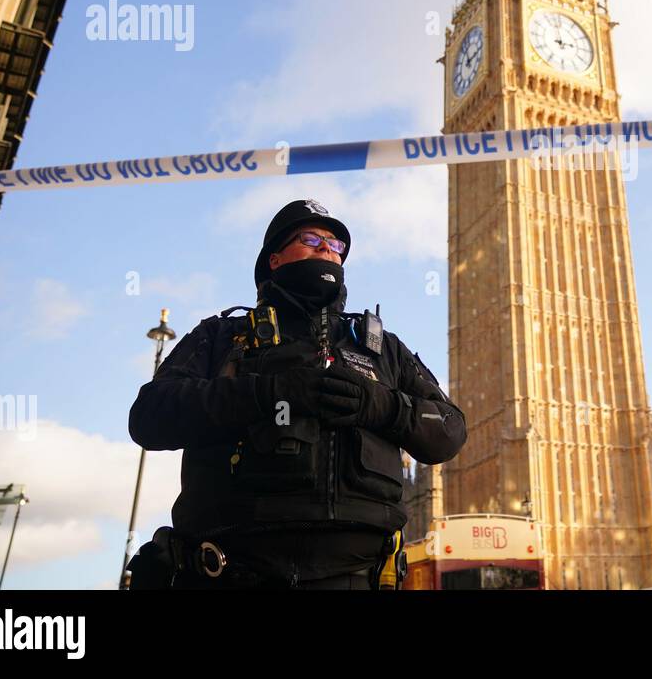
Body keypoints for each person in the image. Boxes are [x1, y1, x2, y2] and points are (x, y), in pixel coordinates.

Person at [126, 198, 466, 589]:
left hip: (359, 578)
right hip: (232, 570)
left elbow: (450, 429)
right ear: (273, 259)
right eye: (311, 239)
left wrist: (382, 407)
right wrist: (269, 393)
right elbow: (149, 417)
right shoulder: (223, 336)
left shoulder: (382, 349)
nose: (326, 248)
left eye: (336, 245)